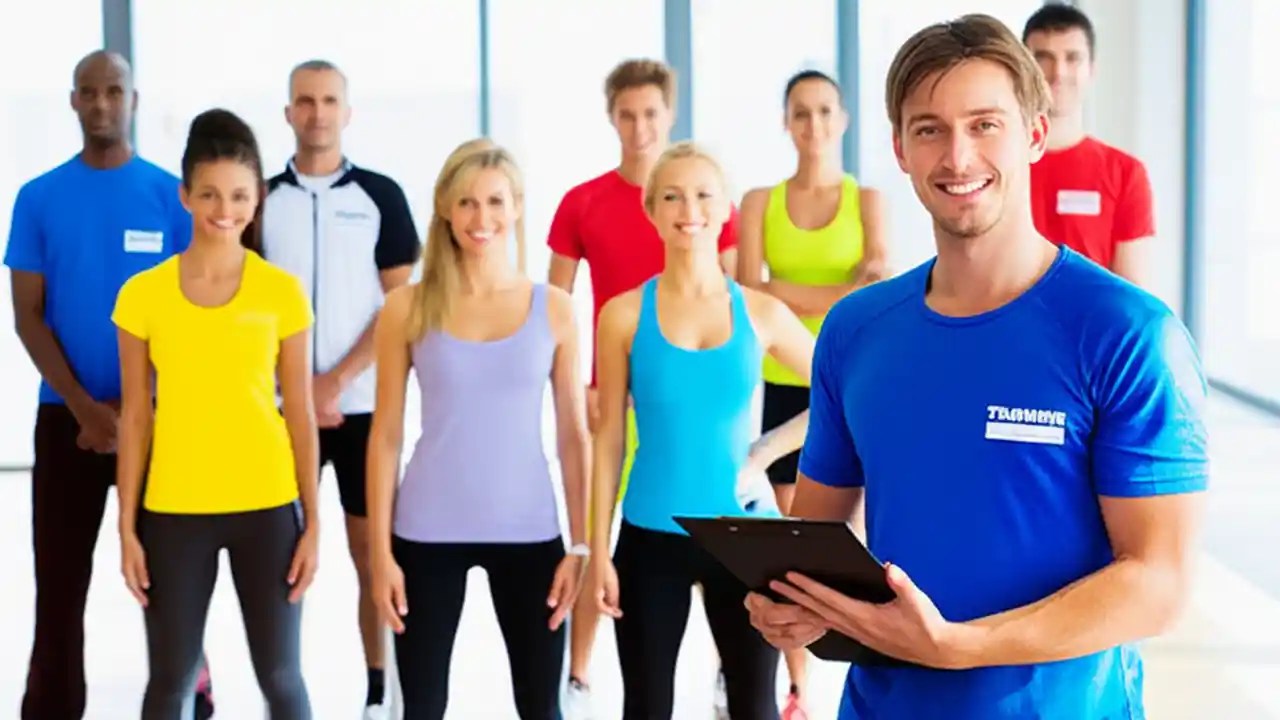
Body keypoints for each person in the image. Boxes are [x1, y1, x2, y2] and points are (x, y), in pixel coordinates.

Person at [746, 14, 1208, 720]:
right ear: (899, 148)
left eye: (985, 124)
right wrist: (793, 605)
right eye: (929, 128)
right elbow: (815, 540)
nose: (958, 157)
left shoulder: (1126, 333)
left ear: (1034, 133)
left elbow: (1160, 583)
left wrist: (959, 645)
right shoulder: (858, 331)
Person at [3, 50, 214, 720]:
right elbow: (27, 316)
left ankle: (188, 700)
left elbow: (191, 312)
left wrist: (134, 405)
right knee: (59, 588)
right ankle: (51, 708)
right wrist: (86, 410)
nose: (101, 104)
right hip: (65, 420)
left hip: (156, 420)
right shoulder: (38, 198)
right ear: (73, 101)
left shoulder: (168, 197)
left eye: (113, 91)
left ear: (134, 99)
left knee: (169, 582)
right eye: (88, 92)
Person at [591, 141, 816, 720]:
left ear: (724, 212)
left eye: (702, 195)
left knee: (752, 708)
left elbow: (845, 395)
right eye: (672, 195)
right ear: (652, 210)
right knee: (645, 708)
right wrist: (597, 549)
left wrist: (766, 450)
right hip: (648, 535)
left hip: (745, 537)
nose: (687, 208)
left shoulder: (761, 313)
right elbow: (609, 439)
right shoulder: (621, 315)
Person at [365, 138, 589, 719]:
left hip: (530, 530)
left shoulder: (556, 307)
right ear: (443, 207)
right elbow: (385, 434)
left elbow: (572, 436)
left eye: (494, 202)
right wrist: (380, 554)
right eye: (466, 203)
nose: (480, 218)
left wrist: (582, 542)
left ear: (516, 207)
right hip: (425, 531)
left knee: (542, 708)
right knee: (422, 709)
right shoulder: (406, 308)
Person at [545, 57, 739, 718]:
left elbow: (727, 295)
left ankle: (731, 675)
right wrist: (581, 389)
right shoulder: (584, 202)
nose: (637, 125)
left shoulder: (704, 202)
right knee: (628, 538)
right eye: (626, 113)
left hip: (688, 387)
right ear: (611, 118)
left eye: (649, 113)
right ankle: (578, 675)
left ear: (668, 115)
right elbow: (556, 306)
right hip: (616, 385)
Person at [112, 108, 319, 719]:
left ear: (257, 199)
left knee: (281, 677)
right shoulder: (142, 295)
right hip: (174, 511)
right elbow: (135, 420)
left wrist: (312, 523)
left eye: (238, 195)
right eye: (208, 193)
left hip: (268, 506)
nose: (223, 209)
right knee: (170, 681)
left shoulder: (280, 292)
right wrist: (126, 527)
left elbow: (300, 415)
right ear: (185, 196)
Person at [261, 59, 421, 719]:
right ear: (289, 112)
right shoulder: (262, 199)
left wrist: (337, 380)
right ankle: (283, 686)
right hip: (277, 411)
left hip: (360, 409)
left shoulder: (381, 196)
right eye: (305, 100)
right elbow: (247, 302)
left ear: (347, 113)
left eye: (329, 100)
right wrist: (296, 384)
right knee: (279, 554)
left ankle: (378, 687)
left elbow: (400, 306)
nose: (317, 112)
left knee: (368, 552)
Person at [736, 69, 887, 719]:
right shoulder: (757, 203)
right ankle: (796, 685)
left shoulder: (869, 199)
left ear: (844, 119)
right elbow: (745, 290)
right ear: (785, 121)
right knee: (785, 547)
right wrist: (834, 293)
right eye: (801, 112)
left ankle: (845, 669)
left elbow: (873, 285)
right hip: (774, 387)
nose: (814, 124)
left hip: (849, 385)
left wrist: (783, 291)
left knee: (839, 543)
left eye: (826, 111)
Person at [1022, 4, 1155, 286]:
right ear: (1024, 70)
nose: (1058, 72)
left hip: (1089, 329)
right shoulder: (999, 165)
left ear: (1092, 69)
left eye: (1073, 58)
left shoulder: (1125, 173)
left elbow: (1132, 297)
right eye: (1043, 58)